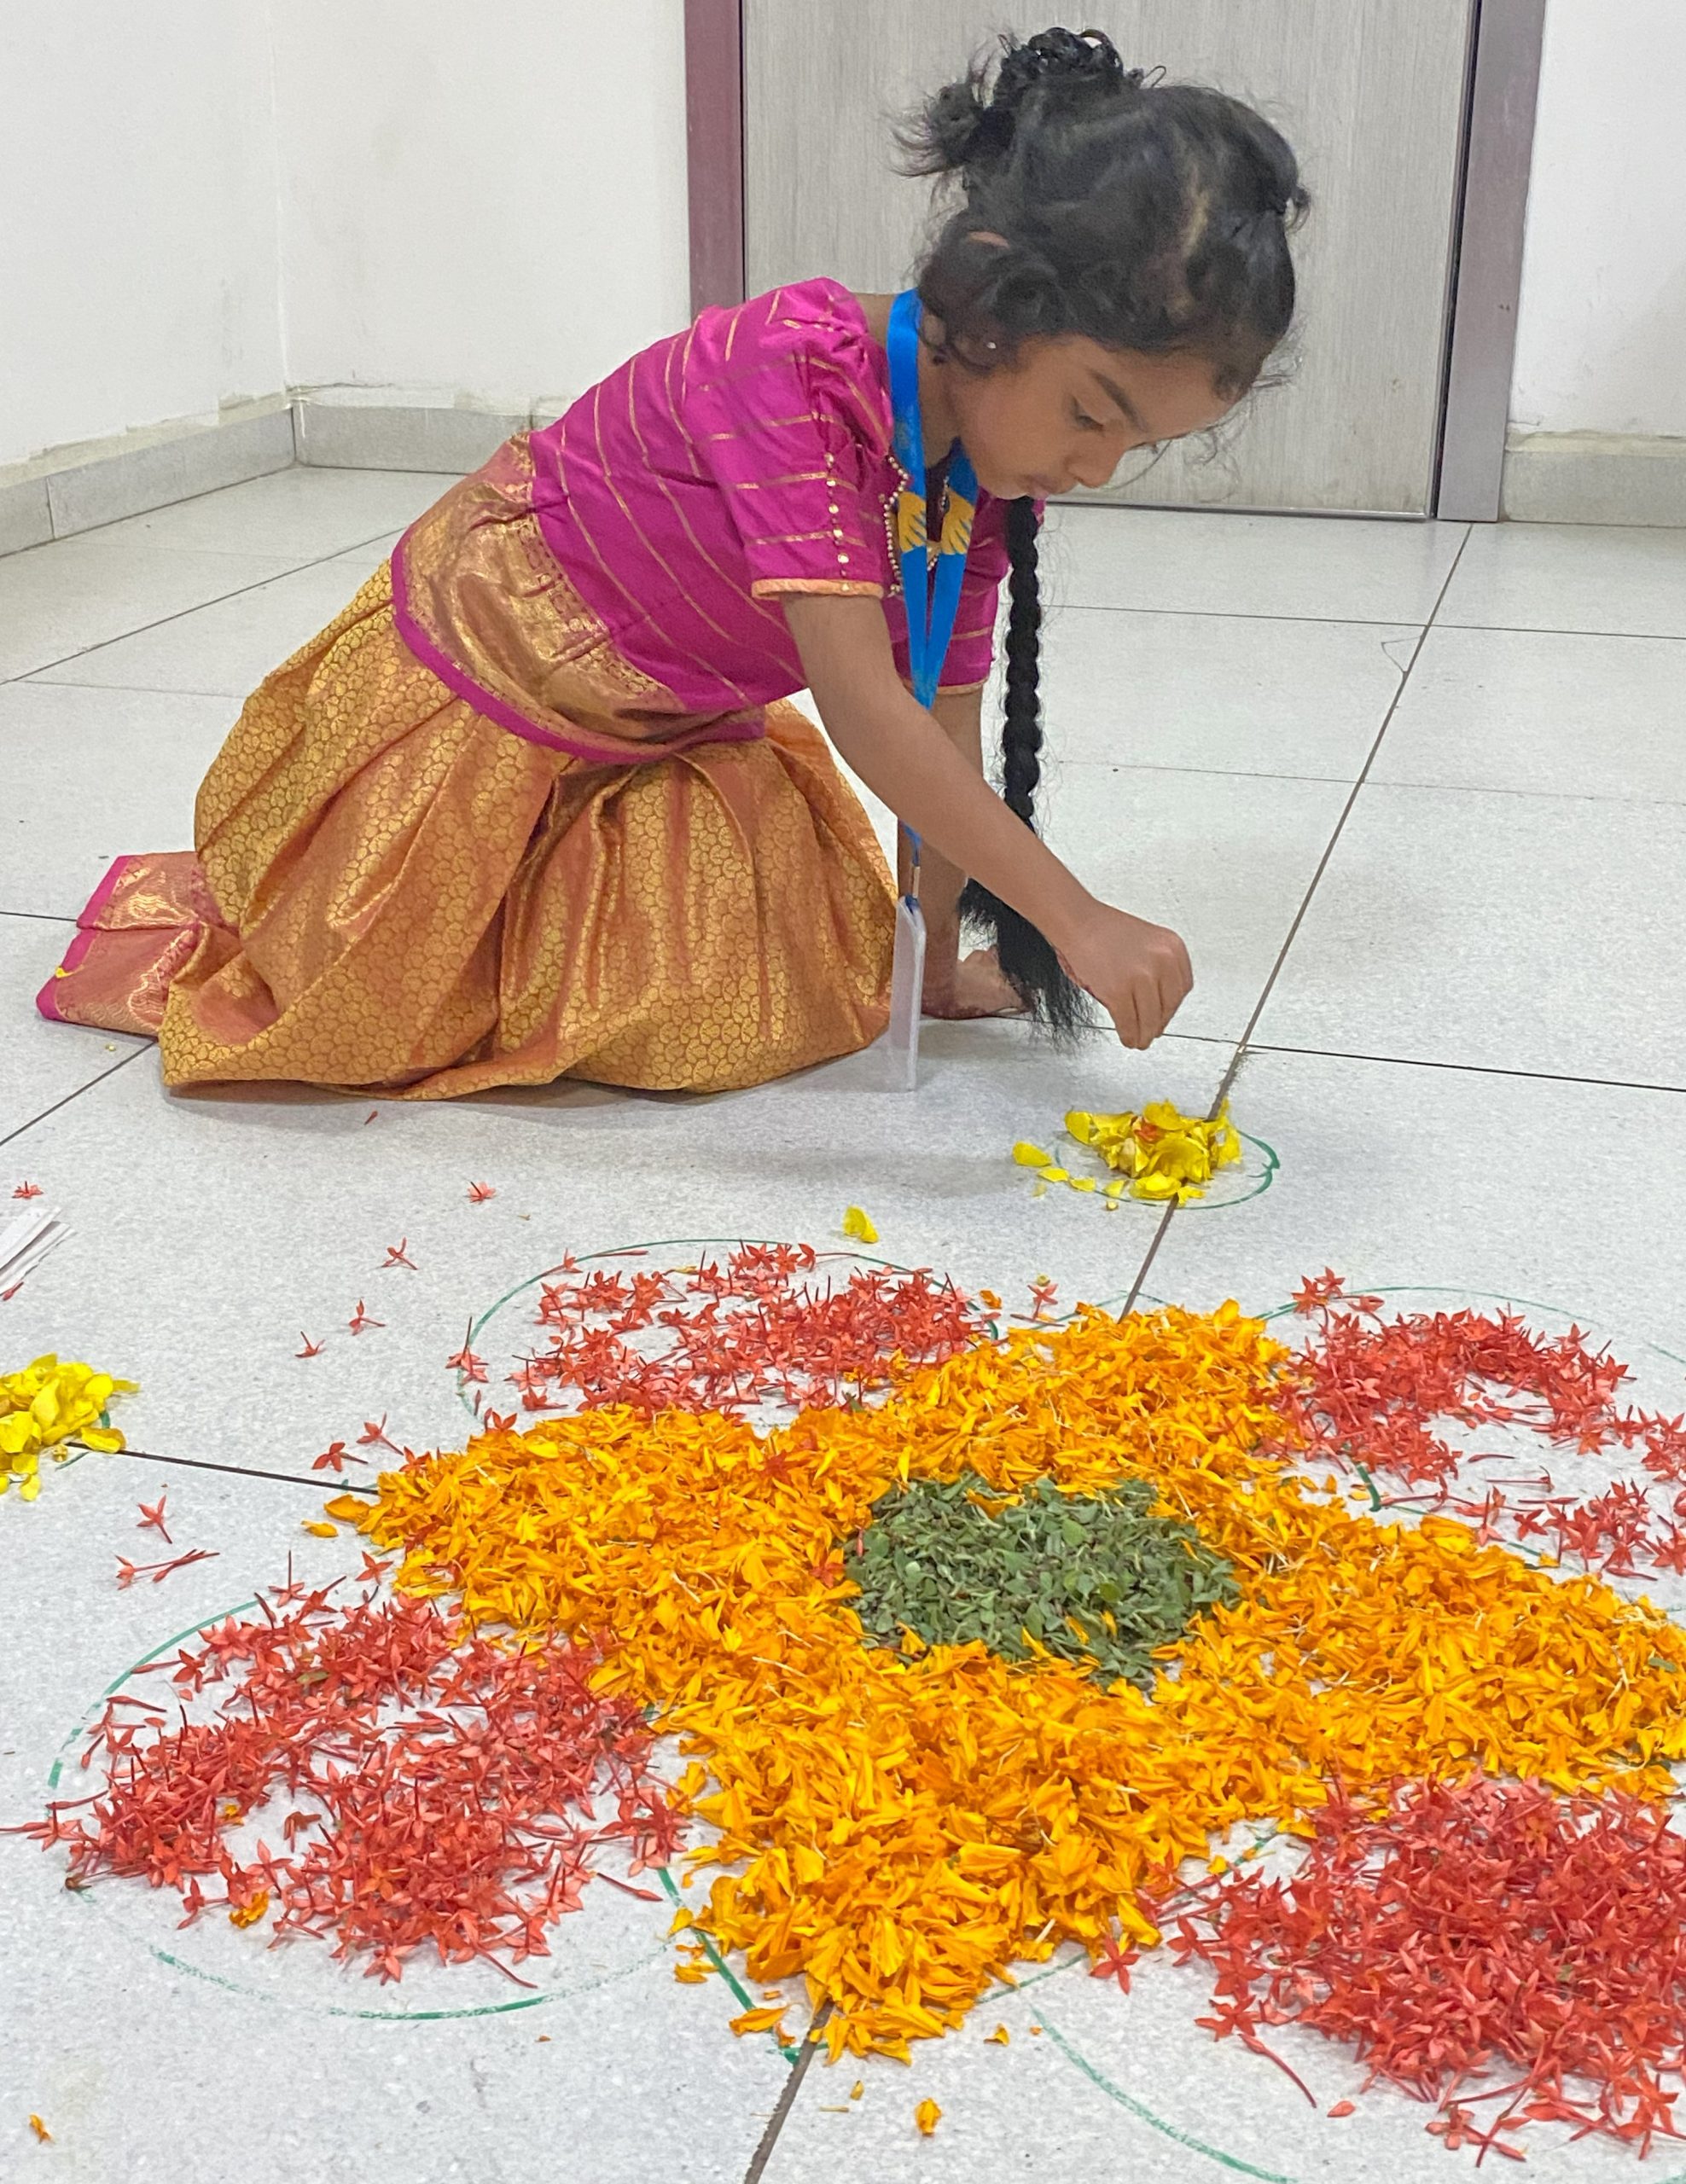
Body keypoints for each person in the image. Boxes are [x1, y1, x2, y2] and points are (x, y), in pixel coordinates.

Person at [39, 27, 1305, 1100]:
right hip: (493, 679)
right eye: (1092, 413)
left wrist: (927, 966)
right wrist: (1075, 919)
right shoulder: (793, 372)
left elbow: (942, 720)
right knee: (378, 1006)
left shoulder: (978, 466)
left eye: (1136, 445)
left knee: (753, 999)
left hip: (657, 719)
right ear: (988, 299)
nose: (1096, 468)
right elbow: (868, 710)